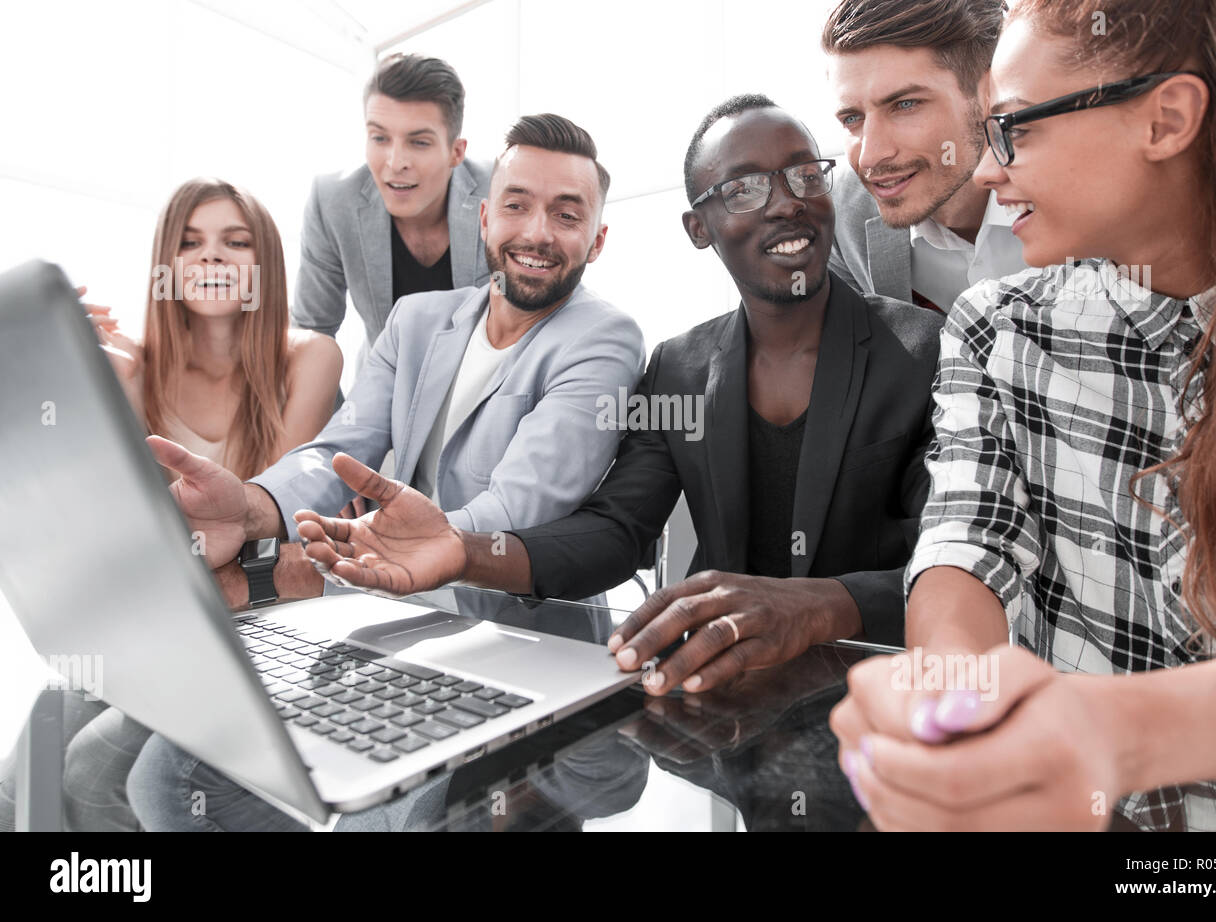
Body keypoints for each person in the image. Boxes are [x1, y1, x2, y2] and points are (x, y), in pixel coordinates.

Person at [293, 96, 944, 698]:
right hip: (735, 710)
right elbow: (617, 531)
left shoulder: (924, 351)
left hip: (903, 713)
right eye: (745, 188)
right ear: (699, 227)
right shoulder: (681, 367)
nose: (787, 203)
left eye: (806, 176)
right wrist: (466, 552)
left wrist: (817, 607)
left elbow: (964, 563)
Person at [832, 0, 1216, 831]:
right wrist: (952, 709)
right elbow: (966, 539)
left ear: (1167, 119)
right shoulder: (997, 324)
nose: (984, 170)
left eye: (1013, 128)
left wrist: (1107, 732)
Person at [124, 114, 646, 831]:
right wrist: (251, 506)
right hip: (395, 627)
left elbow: (524, 504)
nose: (537, 232)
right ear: (486, 215)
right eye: (518, 204)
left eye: (568, 213)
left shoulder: (604, 338)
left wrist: (384, 555)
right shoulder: (417, 321)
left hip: (516, 644)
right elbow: (338, 449)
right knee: (164, 779)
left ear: (598, 238)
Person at [0, 179, 342, 833]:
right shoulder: (137, 366)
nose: (211, 259)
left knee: (90, 771)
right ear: (166, 264)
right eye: (191, 244)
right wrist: (88, 381)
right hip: (162, 616)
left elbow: (273, 524)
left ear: (264, 262)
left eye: (234, 243)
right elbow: (133, 529)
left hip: (257, 613)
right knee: (22, 778)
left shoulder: (309, 357)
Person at [823, 0, 1027, 312]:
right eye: (852, 118)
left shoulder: (1087, 189)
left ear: (991, 94)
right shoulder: (840, 219)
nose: (870, 157)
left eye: (905, 105)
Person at [293, 53, 491, 349]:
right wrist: (347, 399)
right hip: (385, 389)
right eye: (379, 138)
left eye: (419, 142)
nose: (395, 162)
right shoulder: (333, 202)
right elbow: (310, 336)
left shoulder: (500, 192)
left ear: (456, 152)